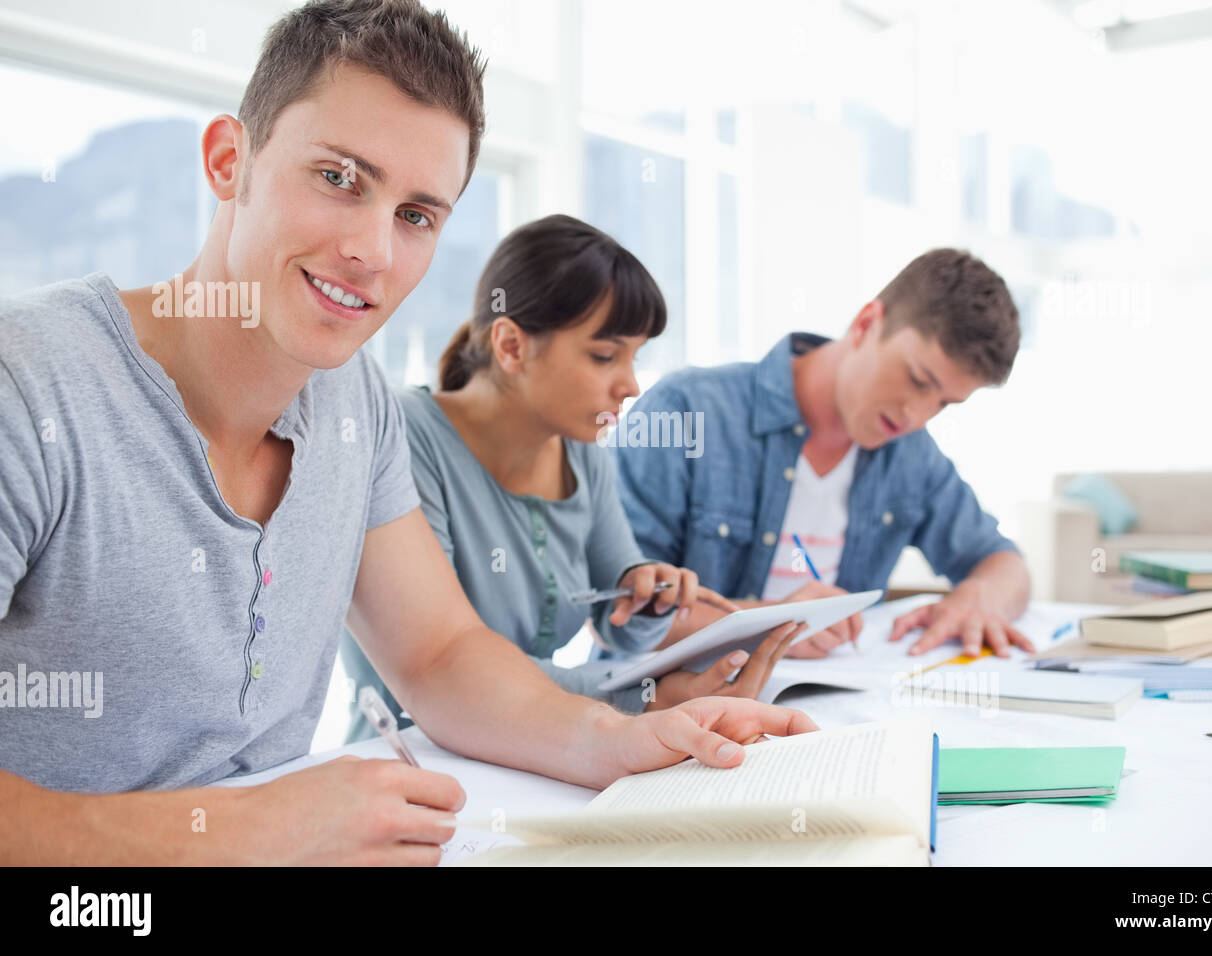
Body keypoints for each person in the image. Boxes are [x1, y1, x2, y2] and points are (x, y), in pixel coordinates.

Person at [0, 0, 815, 866]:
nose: (373, 251)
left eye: (417, 215)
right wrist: (247, 832)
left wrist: (622, 740)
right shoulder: (30, 383)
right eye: (340, 178)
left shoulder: (357, 403)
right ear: (229, 161)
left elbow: (438, 653)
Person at [340, 214, 804, 737]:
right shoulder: (403, 438)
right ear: (511, 346)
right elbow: (450, 668)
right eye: (605, 356)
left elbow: (620, 624)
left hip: (540, 753)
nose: (629, 385)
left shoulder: (581, 451)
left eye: (635, 357)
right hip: (410, 754)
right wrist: (641, 697)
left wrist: (648, 593)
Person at [618, 249, 1033, 661]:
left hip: (827, 712)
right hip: (667, 710)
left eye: (944, 403)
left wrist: (974, 600)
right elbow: (618, 611)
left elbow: (1003, 562)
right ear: (866, 324)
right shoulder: (685, 411)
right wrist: (770, 625)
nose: (918, 415)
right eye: (918, 380)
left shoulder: (911, 455)